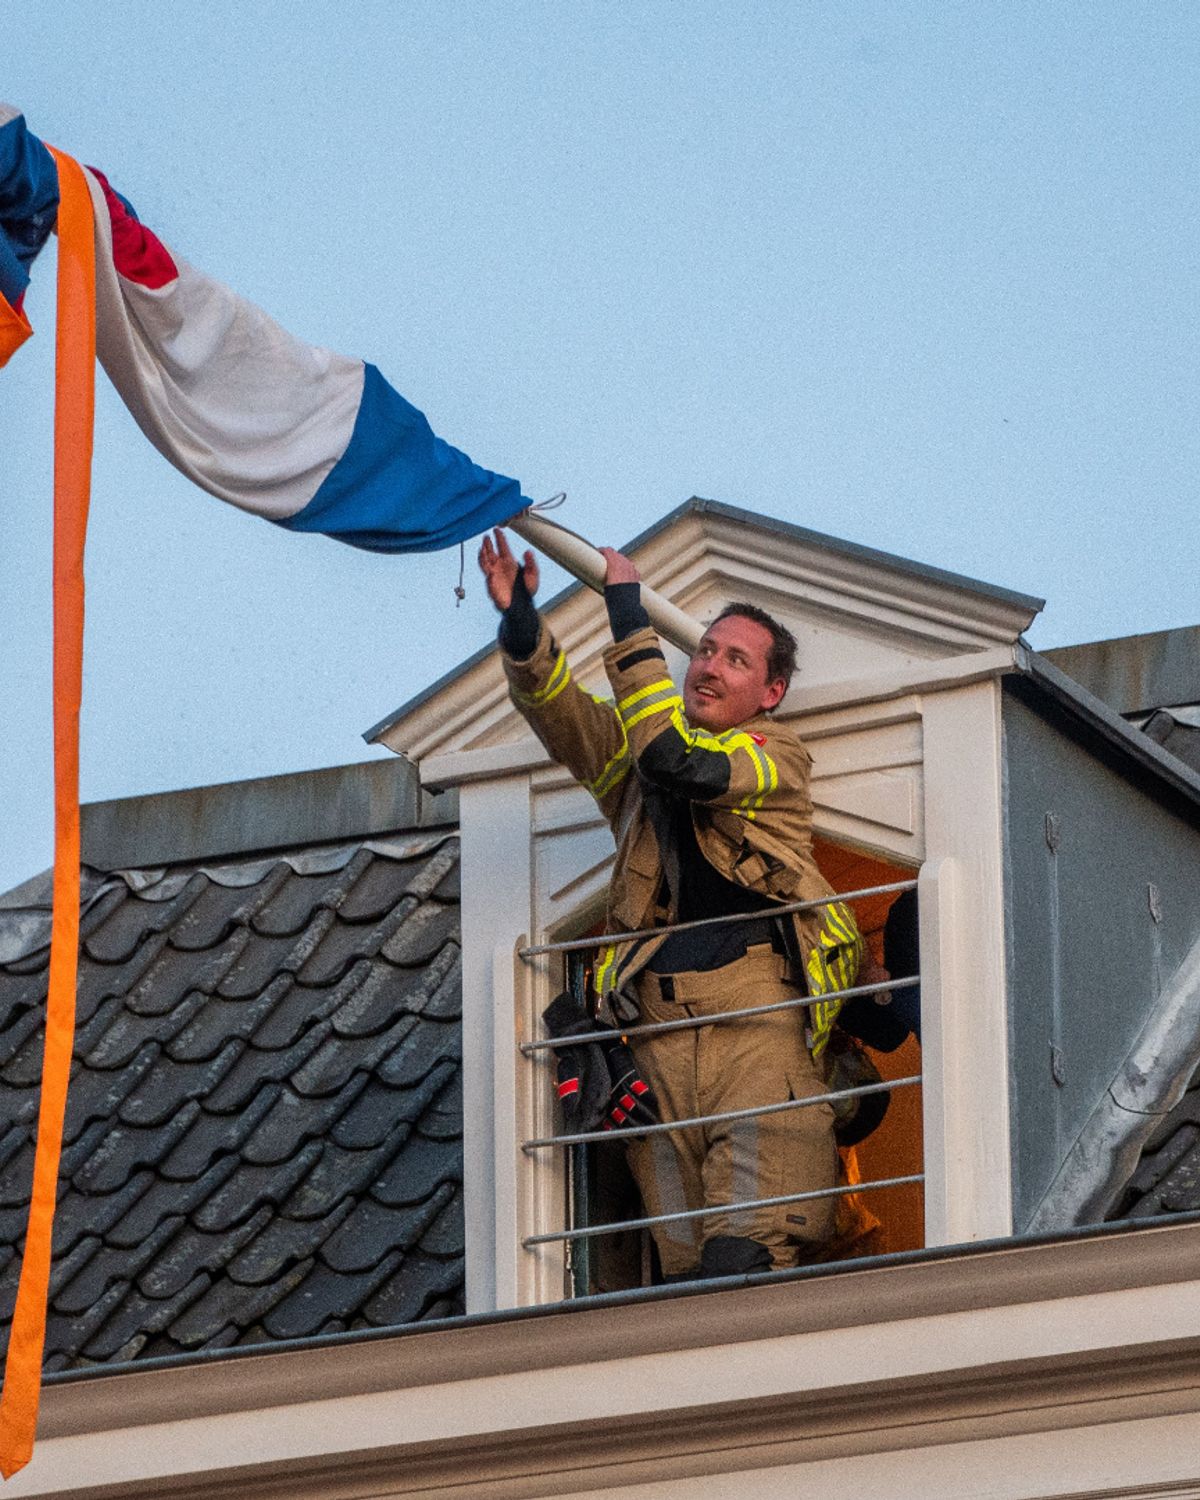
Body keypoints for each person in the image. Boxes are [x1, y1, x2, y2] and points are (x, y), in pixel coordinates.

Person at [479, 528, 868, 1278]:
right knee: (685, 1279)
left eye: (736, 659)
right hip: (655, 1045)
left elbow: (674, 759)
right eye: (705, 651)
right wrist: (521, 620)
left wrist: (629, 613)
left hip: (756, 1035)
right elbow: (561, 712)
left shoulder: (773, 756)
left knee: (743, 1256)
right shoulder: (636, 762)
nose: (710, 667)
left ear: (772, 693)